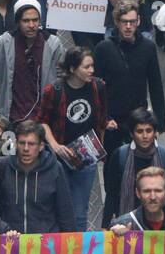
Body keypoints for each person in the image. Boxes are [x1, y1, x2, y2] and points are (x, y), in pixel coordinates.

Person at [37, 47, 111, 231]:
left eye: (92, 66)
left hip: (85, 158)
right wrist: (55, 145)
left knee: (79, 212)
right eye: (86, 67)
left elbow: (101, 118)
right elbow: (41, 122)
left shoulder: (98, 87)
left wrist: (100, 145)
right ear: (72, 69)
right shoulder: (54, 91)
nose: (91, 71)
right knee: (56, 208)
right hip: (58, 158)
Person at [94, 0, 165, 147]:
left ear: (138, 21)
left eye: (132, 22)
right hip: (113, 120)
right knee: (113, 165)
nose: (128, 27)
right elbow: (95, 87)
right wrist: (104, 118)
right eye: (124, 22)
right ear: (117, 22)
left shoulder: (148, 47)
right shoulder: (103, 48)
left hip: (139, 118)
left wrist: (159, 123)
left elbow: (156, 86)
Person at [0, 0, 64, 127]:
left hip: (43, 119)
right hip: (8, 118)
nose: (31, 25)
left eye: (35, 20)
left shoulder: (53, 44)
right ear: (17, 21)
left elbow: (62, 79)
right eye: (26, 21)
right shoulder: (2, 43)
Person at [0, 120, 75, 233]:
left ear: (41, 146)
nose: (26, 149)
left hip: (45, 242)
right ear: (15, 144)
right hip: (11, 241)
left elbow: (65, 209)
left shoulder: (55, 169)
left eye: (31, 144)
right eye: (22, 143)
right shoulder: (1, 167)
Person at [102, 107, 165, 227]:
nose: (145, 136)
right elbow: (112, 194)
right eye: (139, 131)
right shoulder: (119, 156)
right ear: (132, 134)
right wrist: (105, 226)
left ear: (155, 132)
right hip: (126, 224)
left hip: (159, 223)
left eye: (149, 131)